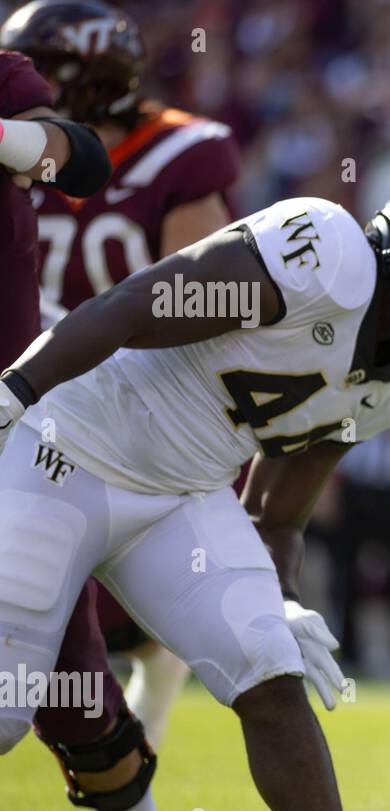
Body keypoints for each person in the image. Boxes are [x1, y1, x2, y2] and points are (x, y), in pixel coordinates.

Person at [0, 167, 390, 811]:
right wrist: (15, 392)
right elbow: (136, 303)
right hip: (74, 447)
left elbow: (277, 517)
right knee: (7, 712)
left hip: (182, 499)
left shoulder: (388, 388)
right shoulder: (328, 259)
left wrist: (281, 600)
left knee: (269, 671)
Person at [4, 0, 243, 754]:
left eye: (41, 71)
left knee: (143, 605)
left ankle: (136, 719)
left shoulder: (181, 153)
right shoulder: (33, 146)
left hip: (136, 398)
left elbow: (198, 294)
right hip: (36, 384)